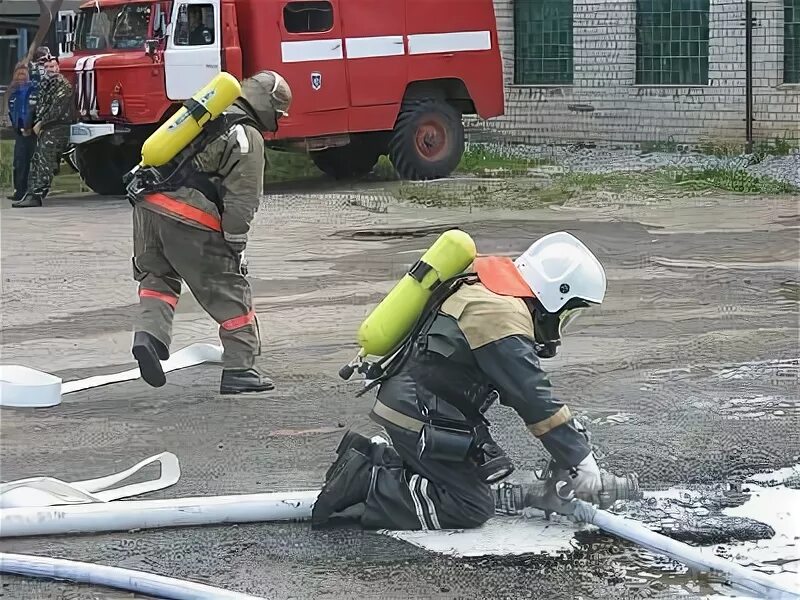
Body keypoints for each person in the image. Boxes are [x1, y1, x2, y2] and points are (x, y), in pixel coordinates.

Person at [312, 231, 608, 530]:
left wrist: (570, 443)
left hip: (420, 404)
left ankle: (372, 457)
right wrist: (580, 458)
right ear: (556, 293)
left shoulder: (490, 292)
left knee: (473, 473)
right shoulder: (501, 315)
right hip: (420, 415)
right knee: (469, 505)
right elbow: (531, 395)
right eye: (570, 311)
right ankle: (366, 480)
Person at [128, 70, 292, 395]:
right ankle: (241, 369)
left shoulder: (203, 115)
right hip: (187, 217)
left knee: (157, 279)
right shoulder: (246, 135)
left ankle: (149, 336)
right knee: (228, 290)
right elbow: (243, 198)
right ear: (270, 108)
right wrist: (235, 243)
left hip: (147, 207)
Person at [13, 50, 75, 209]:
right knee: (36, 158)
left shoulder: (64, 85)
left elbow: (56, 110)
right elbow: (38, 107)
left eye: (53, 66)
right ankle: (30, 192)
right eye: (47, 67)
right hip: (44, 128)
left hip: (57, 127)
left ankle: (37, 195)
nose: (50, 69)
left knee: (44, 158)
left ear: (58, 68)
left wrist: (40, 124)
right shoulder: (44, 85)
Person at [5, 61, 37, 202]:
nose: (20, 77)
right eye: (18, 75)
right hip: (19, 133)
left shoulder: (33, 91)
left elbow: (33, 110)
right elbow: (13, 112)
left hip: (32, 133)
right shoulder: (13, 93)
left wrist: (29, 127)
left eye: (23, 74)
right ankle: (19, 190)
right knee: (19, 163)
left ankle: (32, 192)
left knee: (32, 163)